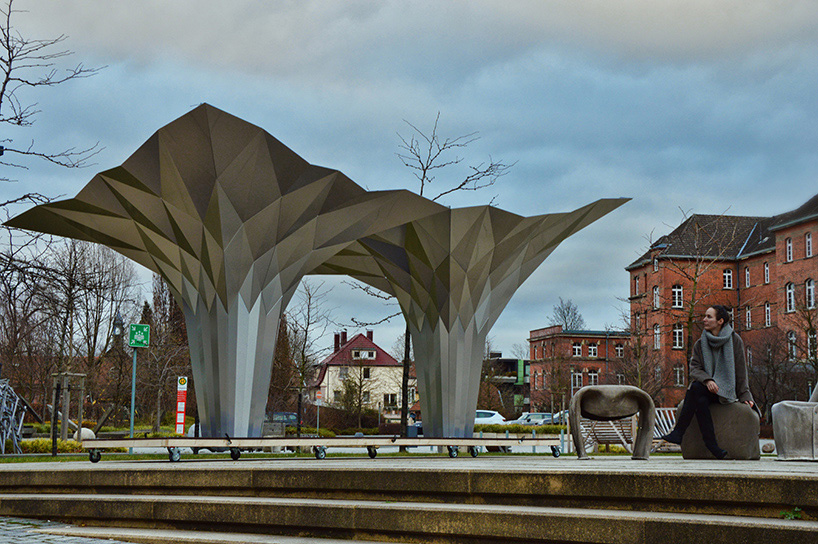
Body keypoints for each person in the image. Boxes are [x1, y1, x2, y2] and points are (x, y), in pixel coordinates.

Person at [661, 305, 755, 459]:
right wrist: (708, 380)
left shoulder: (734, 340)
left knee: (696, 389)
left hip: (725, 389)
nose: (704, 319)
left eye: (709, 317)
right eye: (705, 316)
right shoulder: (701, 343)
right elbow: (695, 368)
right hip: (706, 389)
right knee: (701, 399)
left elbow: (740, 369)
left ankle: (679, 433)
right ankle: (713, 447)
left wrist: (745, 395)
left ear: (720, 321)